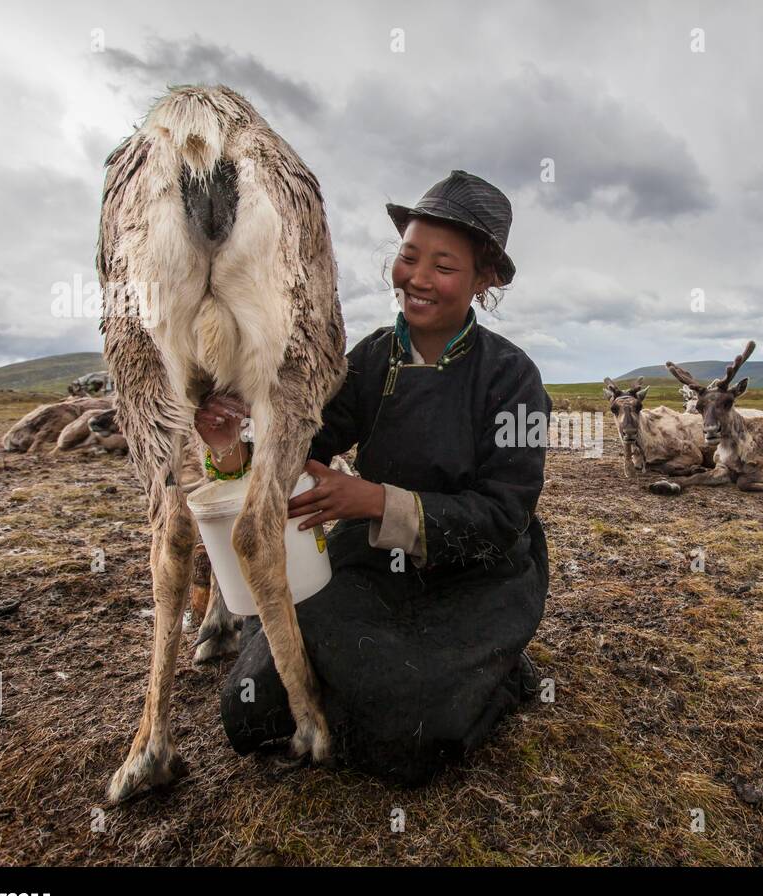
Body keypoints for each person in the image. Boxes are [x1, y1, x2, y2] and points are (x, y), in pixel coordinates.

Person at [195, 170, 551, 786]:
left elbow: (504, 517)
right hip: (374, 561)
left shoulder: (513, 379)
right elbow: (303, 446)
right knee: (254, 706)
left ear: (485, 279)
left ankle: (499, 673)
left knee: (410, 729)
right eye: (408, 256)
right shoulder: (371, 359)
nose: (417, 277)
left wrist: (376, 501)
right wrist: (231, 447)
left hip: (477, 575)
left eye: (444, 265)